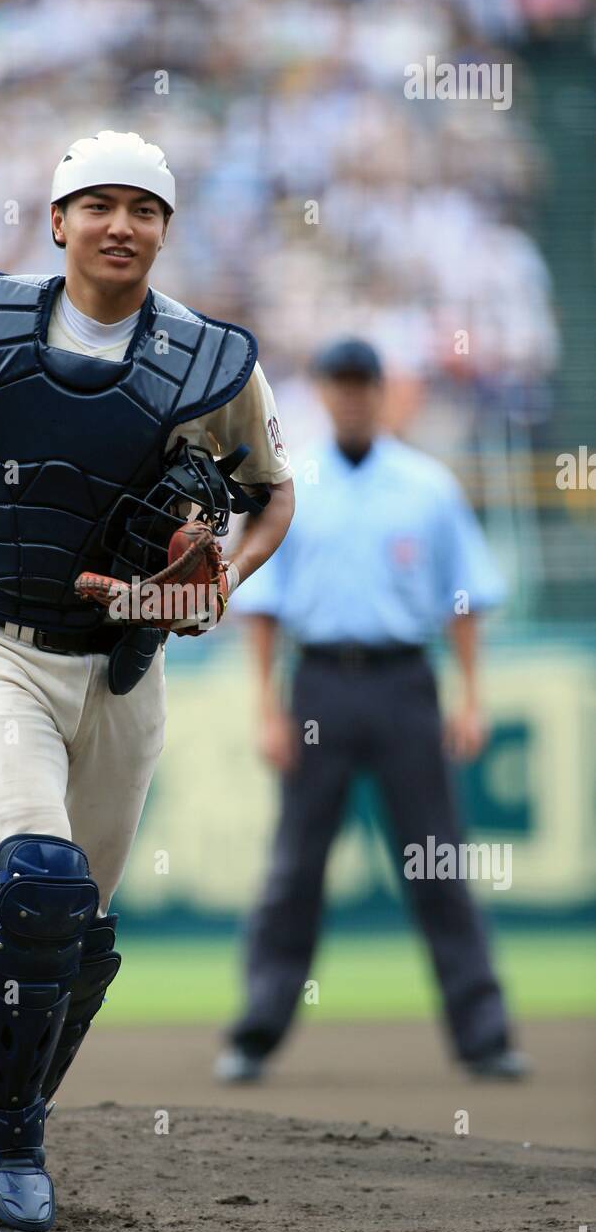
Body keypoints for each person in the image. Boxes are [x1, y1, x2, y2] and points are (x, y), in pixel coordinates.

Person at [0, 130, 295, 1232]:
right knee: (41, 886)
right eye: (96, 203)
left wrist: (221, 580)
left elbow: (270, 495)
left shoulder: (211, 364)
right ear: (56, 221)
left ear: (164, 229)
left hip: (122, 665)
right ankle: (9, 1157)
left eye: (142, 208)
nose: (119, 224)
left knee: (81, 940)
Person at [215, 337, 530, 1086]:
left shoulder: (427, 487)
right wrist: (266, 707)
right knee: (296, 867)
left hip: (404, 683)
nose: (352, 396)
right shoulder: (292, 482)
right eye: (340, 383)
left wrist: (471, 695)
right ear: (323, 392)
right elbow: (260, 605)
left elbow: (465, 600)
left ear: (382, 392)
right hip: (319, 683)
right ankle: (256, 1033)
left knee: (438, 862)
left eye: (364, 384)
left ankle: (483, 1035)